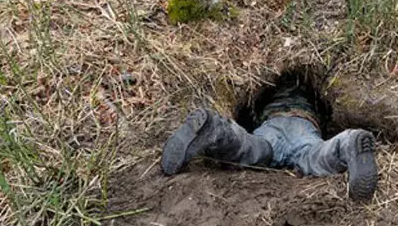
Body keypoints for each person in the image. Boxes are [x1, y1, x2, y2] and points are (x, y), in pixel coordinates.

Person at [160, 79, 378, 201]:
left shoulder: (265, 89)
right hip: (304, 124)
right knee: (314, 156)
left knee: (251, 149)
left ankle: (216, 129)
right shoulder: (310, 93)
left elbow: (249, 111)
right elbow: (327, 110)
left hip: (271, 125)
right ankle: (348, 142)